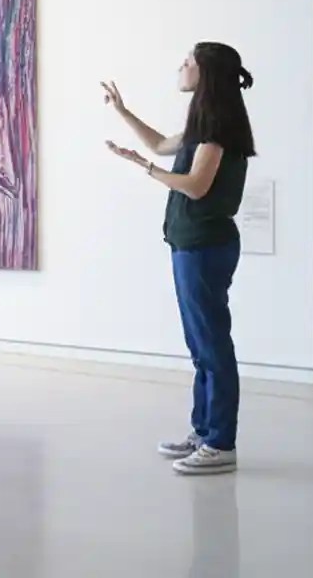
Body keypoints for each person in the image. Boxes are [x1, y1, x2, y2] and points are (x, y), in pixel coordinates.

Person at [103, 42, 256, 476]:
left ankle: (221, 442)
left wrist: (145, 169)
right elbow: (159, 142)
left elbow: (194, 186)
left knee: (212, 344)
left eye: (188, 60)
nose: (181, 66)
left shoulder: (218, 129)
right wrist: (123, 111)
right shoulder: (203, 123)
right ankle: (204, 429)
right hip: (190, 244)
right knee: (199, 345)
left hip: (206, 246)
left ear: (205, 72)